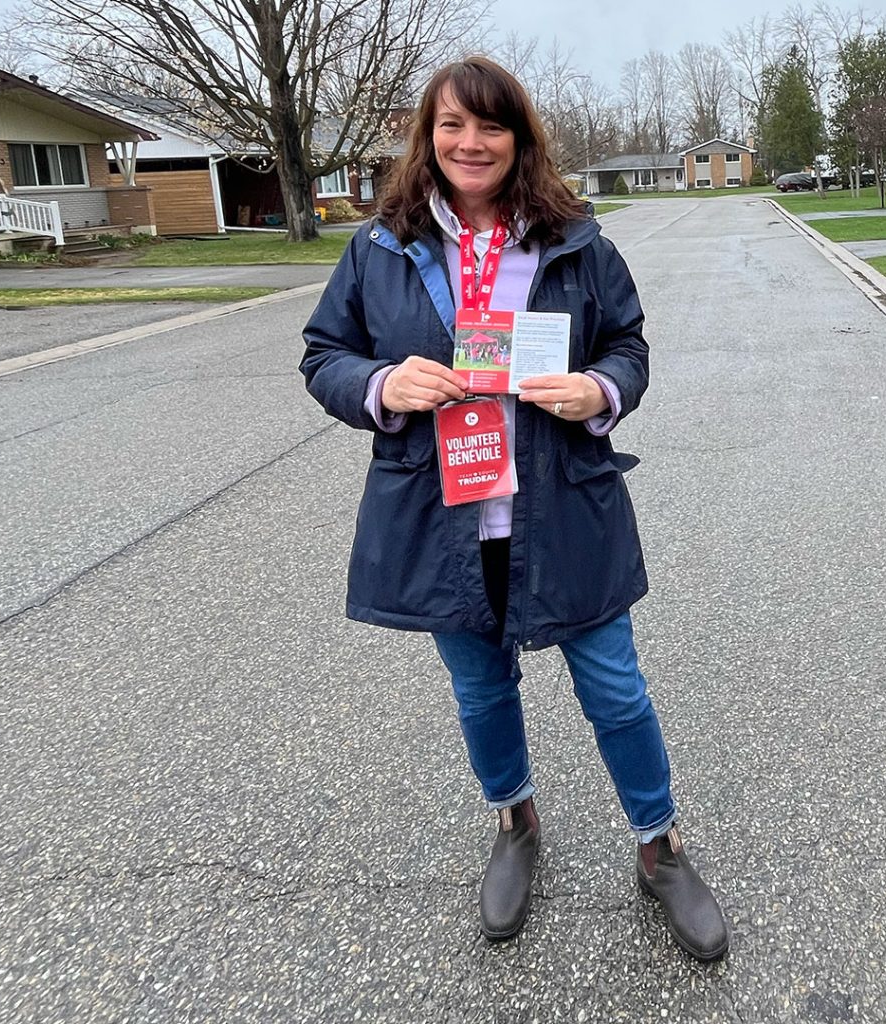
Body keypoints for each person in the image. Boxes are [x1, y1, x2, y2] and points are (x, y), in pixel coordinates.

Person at [299, 56, 728, 963]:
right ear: (428, 137)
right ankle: (515, 823)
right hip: (443, 516)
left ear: (519, 138)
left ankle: (660, 847)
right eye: (452, 124)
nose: (471, 142)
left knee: (615, 688)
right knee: (481, 689)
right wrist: (381, 383)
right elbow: (324, 355)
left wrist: (599, 389)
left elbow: (628, 345)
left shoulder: (574, 240)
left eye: (490, 125)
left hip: (561, 509)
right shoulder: (381, 245)